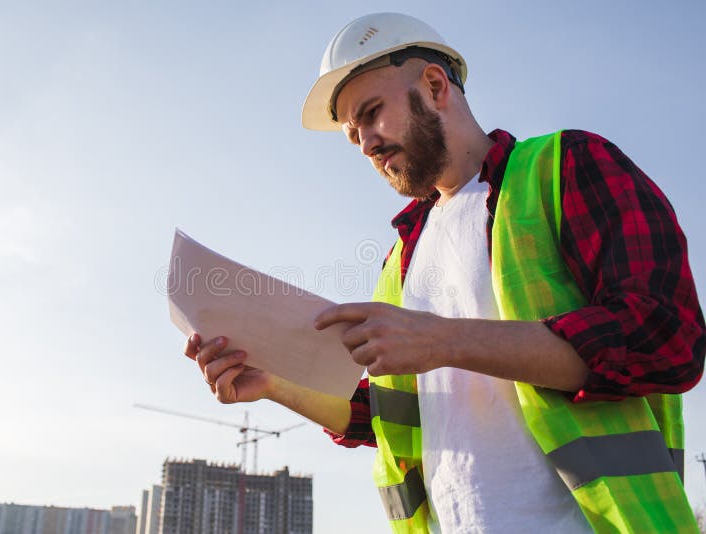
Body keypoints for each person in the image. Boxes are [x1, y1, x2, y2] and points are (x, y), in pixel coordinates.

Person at [183, 12, 705, 533]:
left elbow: (666, 338)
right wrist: (273, 384)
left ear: (434, 86)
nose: (365, 143)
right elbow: (387, 416)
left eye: (371, 113)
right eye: (352, 135)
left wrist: (442, 340)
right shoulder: (401, 260)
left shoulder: (564, 166)